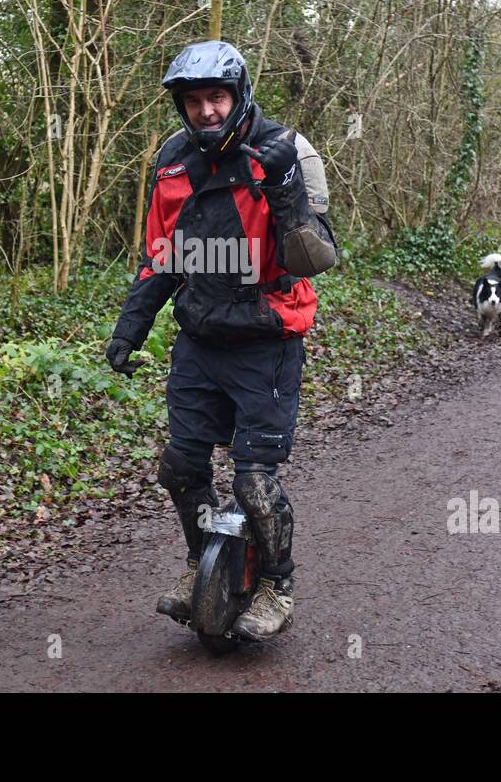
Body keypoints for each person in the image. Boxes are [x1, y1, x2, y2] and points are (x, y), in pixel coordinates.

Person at [105, 39, 338, 641]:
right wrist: (131, 327)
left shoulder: (287, 151)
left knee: (255, 481)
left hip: (267, 338)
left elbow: (314, 259)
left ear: (238, 96)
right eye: (193, 101)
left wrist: (286, 192)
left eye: (217, 97)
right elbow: (162, 255)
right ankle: (197, 561)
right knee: (181, 467)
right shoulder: (172, 162)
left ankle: (276, 585)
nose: (206, 110)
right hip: (201, 339)